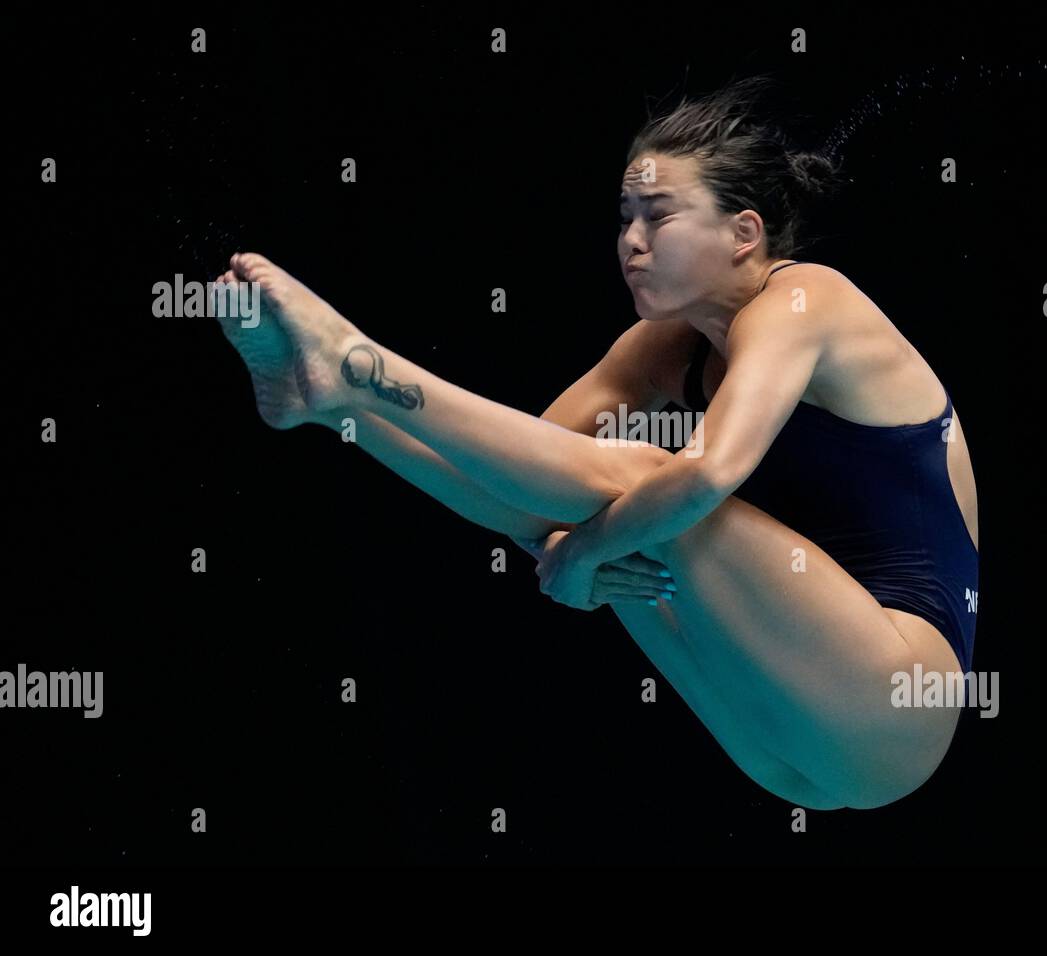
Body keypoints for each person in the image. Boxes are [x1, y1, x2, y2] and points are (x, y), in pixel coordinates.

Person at [211, 76, 979, 811]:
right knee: (590, 510)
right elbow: (522, 481)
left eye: (658, 215)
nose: (631, 242)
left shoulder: (809, 299)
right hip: (783, 746)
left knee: (653, 486)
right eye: (623, 217)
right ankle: (334, 402)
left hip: (896, 702)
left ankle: (357, 360)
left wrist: (578, 556)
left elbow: (710, 474)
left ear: (744, 232)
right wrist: (553, 539)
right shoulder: (661, 344)